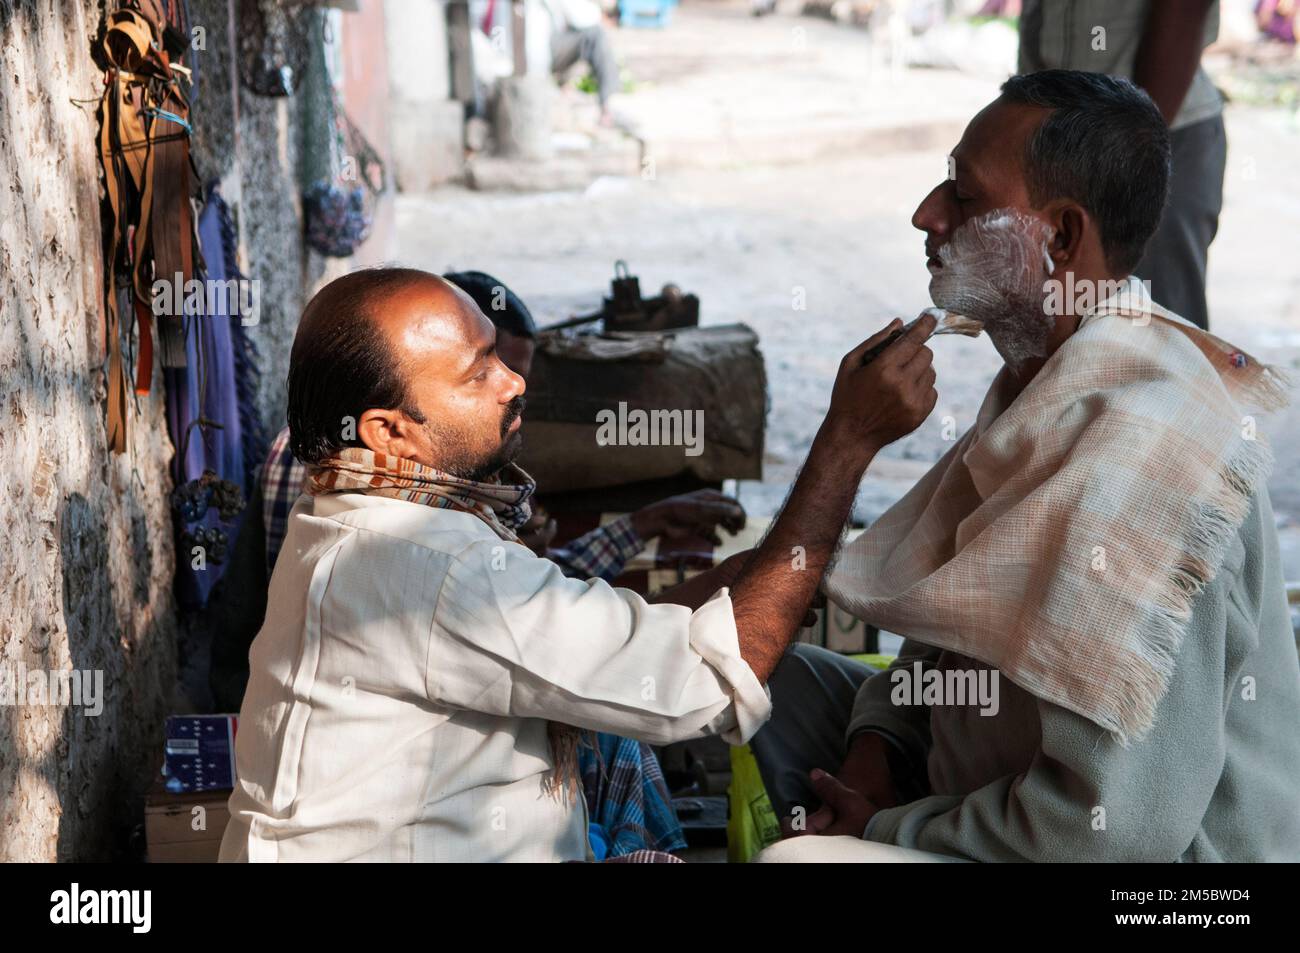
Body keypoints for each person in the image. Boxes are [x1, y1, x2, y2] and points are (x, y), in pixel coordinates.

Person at [751, 70, 1300, 863]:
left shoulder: (1140, 459)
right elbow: (954, 620)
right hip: (988, 789)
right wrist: (879, 746)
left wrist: (880, 825)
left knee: (799, 859)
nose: (926, 215)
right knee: (779, 682)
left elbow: (1113, 834)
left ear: (1062, 238)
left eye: (964, 199)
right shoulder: (1047, 388)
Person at [219, 267, 937, 861]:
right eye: (477, 374)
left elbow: (575, 620)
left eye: (498, 355)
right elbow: (708, 683)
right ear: (390, 433)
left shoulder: (353, 515)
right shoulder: (427, 563)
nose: (512, 382)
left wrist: (748, 577)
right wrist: (847, 443)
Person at [1018, 0, 1225, 330]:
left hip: (1154, 132)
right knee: (1068, 318)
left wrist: (1134, 152)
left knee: (1154, 328)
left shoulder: (1137, 143)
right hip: (1058, 133)